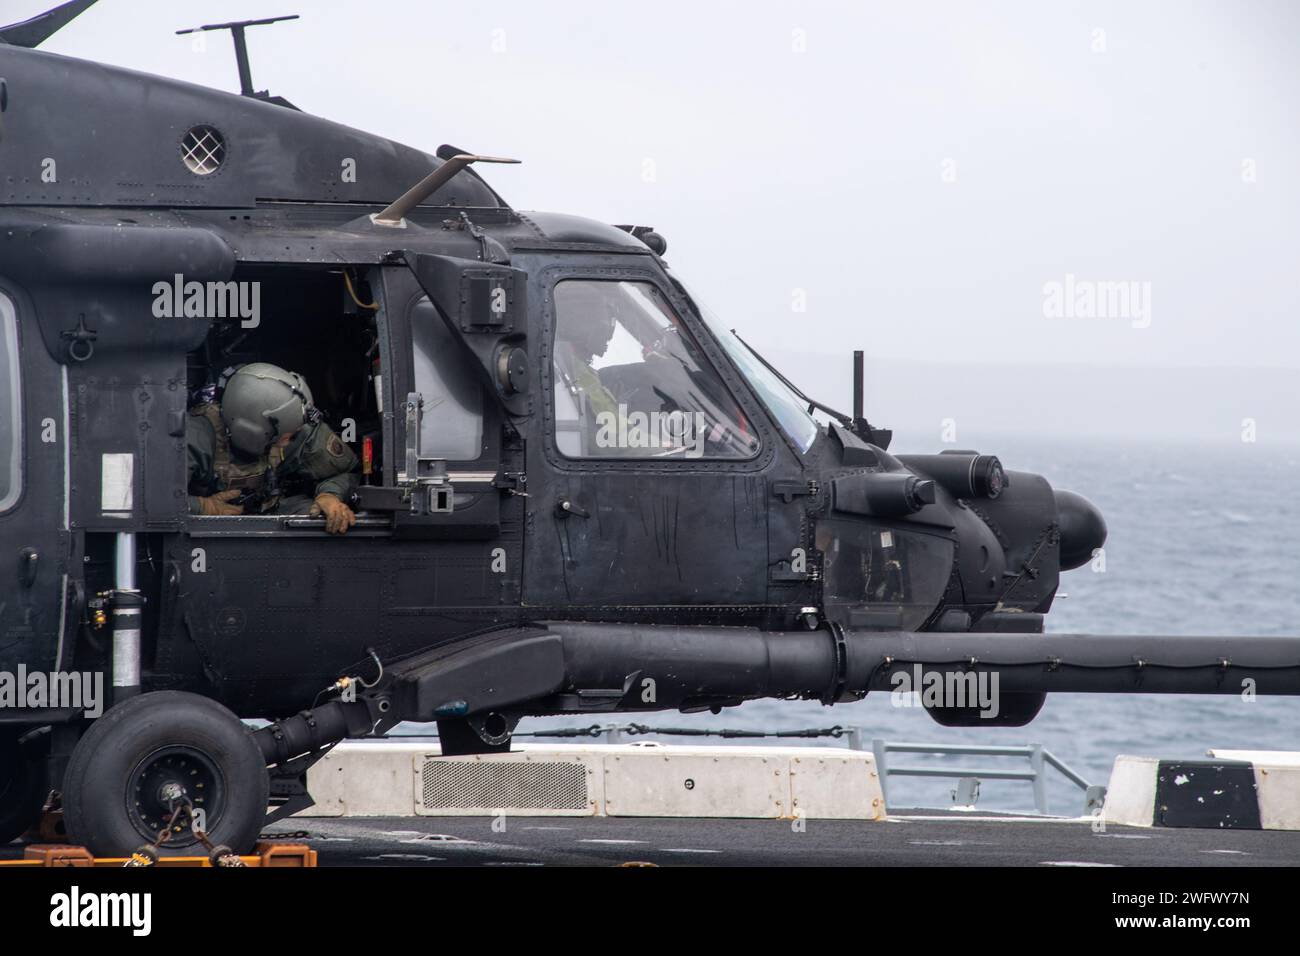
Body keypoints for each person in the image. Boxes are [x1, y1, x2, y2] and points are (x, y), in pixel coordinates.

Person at [187, 363, 358, 534]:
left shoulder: (294, 428)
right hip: (207, 530)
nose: (287, 442)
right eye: (285, 437)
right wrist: (202, 507)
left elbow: (347, 471)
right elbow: (161, 502)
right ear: (255, 433)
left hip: (271, 510)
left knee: (319, 518)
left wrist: (330, 494)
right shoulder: (196, 438)